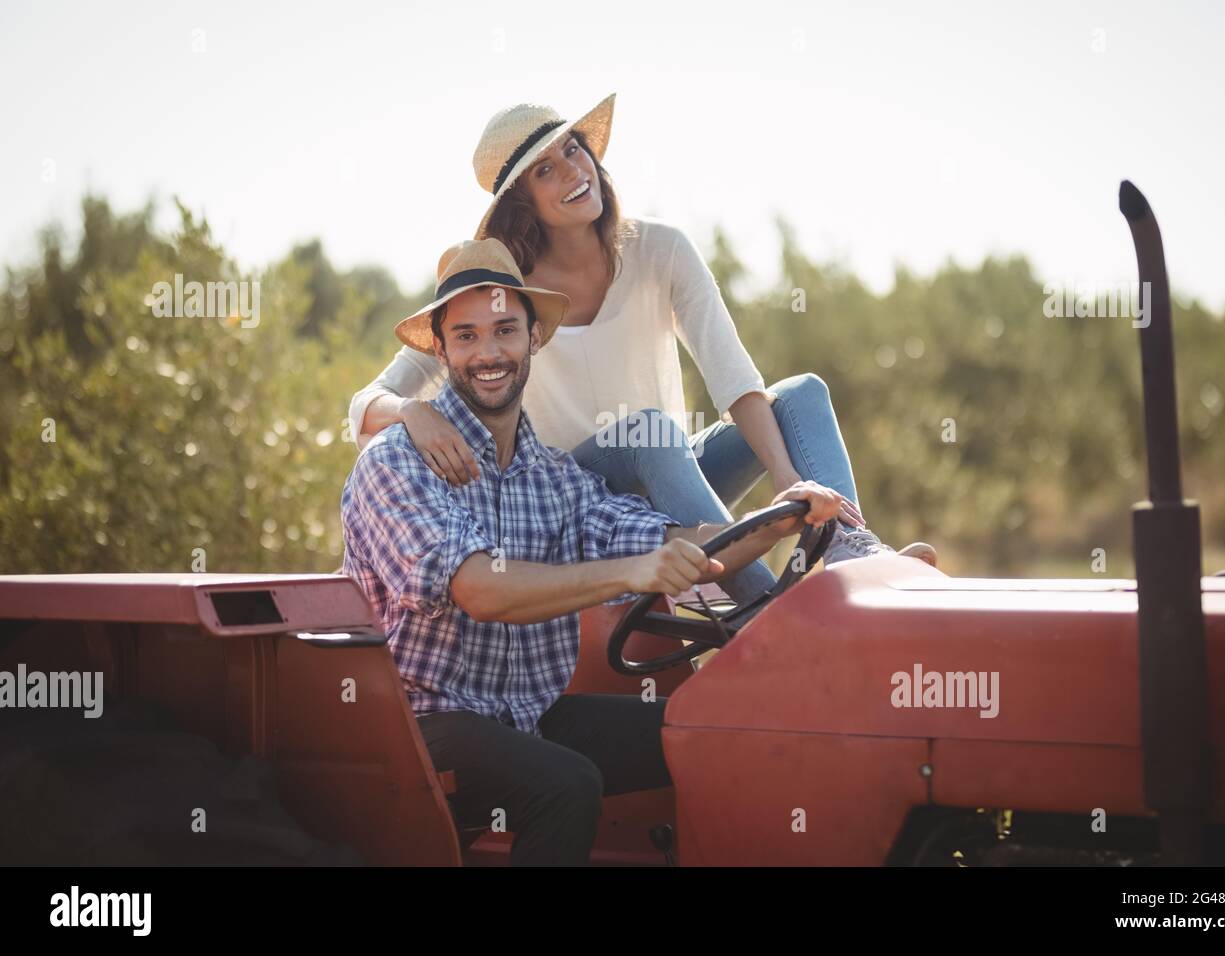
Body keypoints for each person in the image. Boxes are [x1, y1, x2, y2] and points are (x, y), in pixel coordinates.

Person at [340, 238, 846, 865]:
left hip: (525, 716)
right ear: (440, 350)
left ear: (534, 340)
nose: (489, 352)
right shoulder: (396, 463)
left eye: (505, 330)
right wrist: (629, 572)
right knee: (566, 784)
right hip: (414, 727)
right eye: (467, 336)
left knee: (710, 732)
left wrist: (779, 522)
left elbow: (674, 543)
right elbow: (480, 590)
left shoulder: (554, 478)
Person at [348, 93, 934, 609]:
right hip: (577, 500)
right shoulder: (506, 296)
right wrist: (412, 412)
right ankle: (766, 612)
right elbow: (369, 399)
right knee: (647, 431)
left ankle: (851, 559)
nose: (573, 172)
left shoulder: (661, 249)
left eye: (573, 150)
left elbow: (734, 379)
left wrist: (791, 489)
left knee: (801, 392)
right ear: (522, 203)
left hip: (671, 472)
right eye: (545, 171)